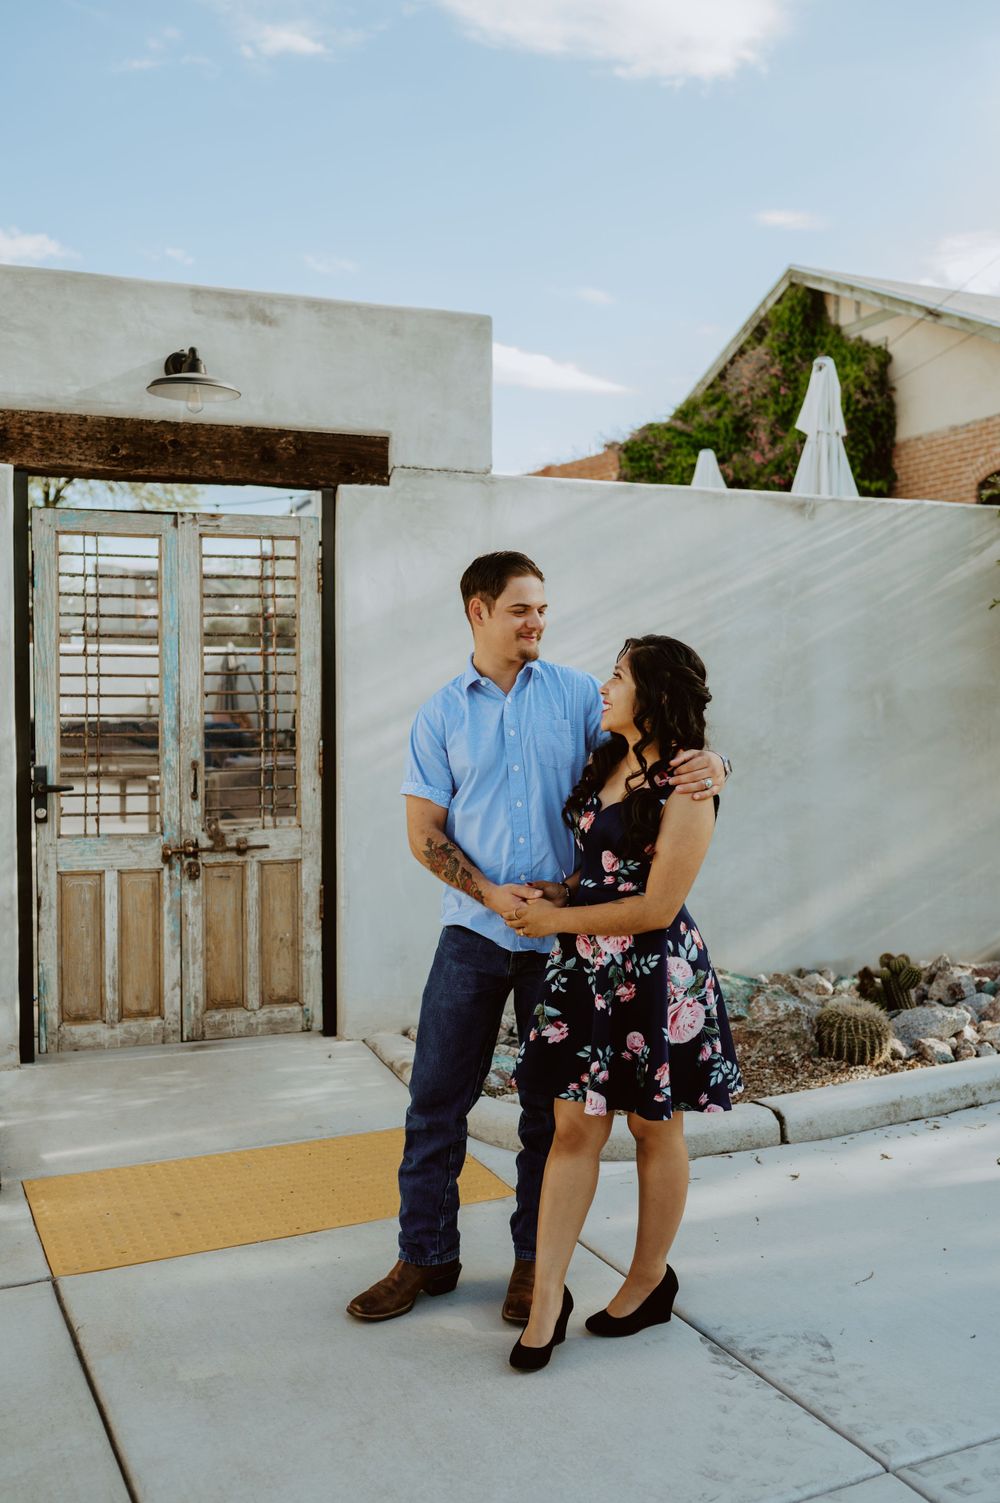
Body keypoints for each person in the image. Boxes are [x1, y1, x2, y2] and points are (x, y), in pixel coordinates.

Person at [346, 558, 730, 1325]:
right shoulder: (440, 715)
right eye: (522, 609)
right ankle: (424, 1255)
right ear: (478, 610)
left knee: (546, 1116)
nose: (538, 622)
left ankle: (533, 1265)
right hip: (473, 935)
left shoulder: (578, 696)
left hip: (568, 947)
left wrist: (718, 763)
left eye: (543, 609)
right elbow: (424, 834)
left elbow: (653, 749)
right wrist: (492, 895)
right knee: (434, 1101)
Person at [506, 635, 744, 1371]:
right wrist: (561, 892)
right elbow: (603, 869)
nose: (604, 688)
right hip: (587, 970)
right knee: (572, 1129)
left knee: (652, 1127)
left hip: (651, 973)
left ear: (655, 694)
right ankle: (547, 1299)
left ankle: (647, 1281)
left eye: (617, 676)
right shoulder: (608, 757)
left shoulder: (689, 785)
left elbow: (656, 906)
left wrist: (555, 920)